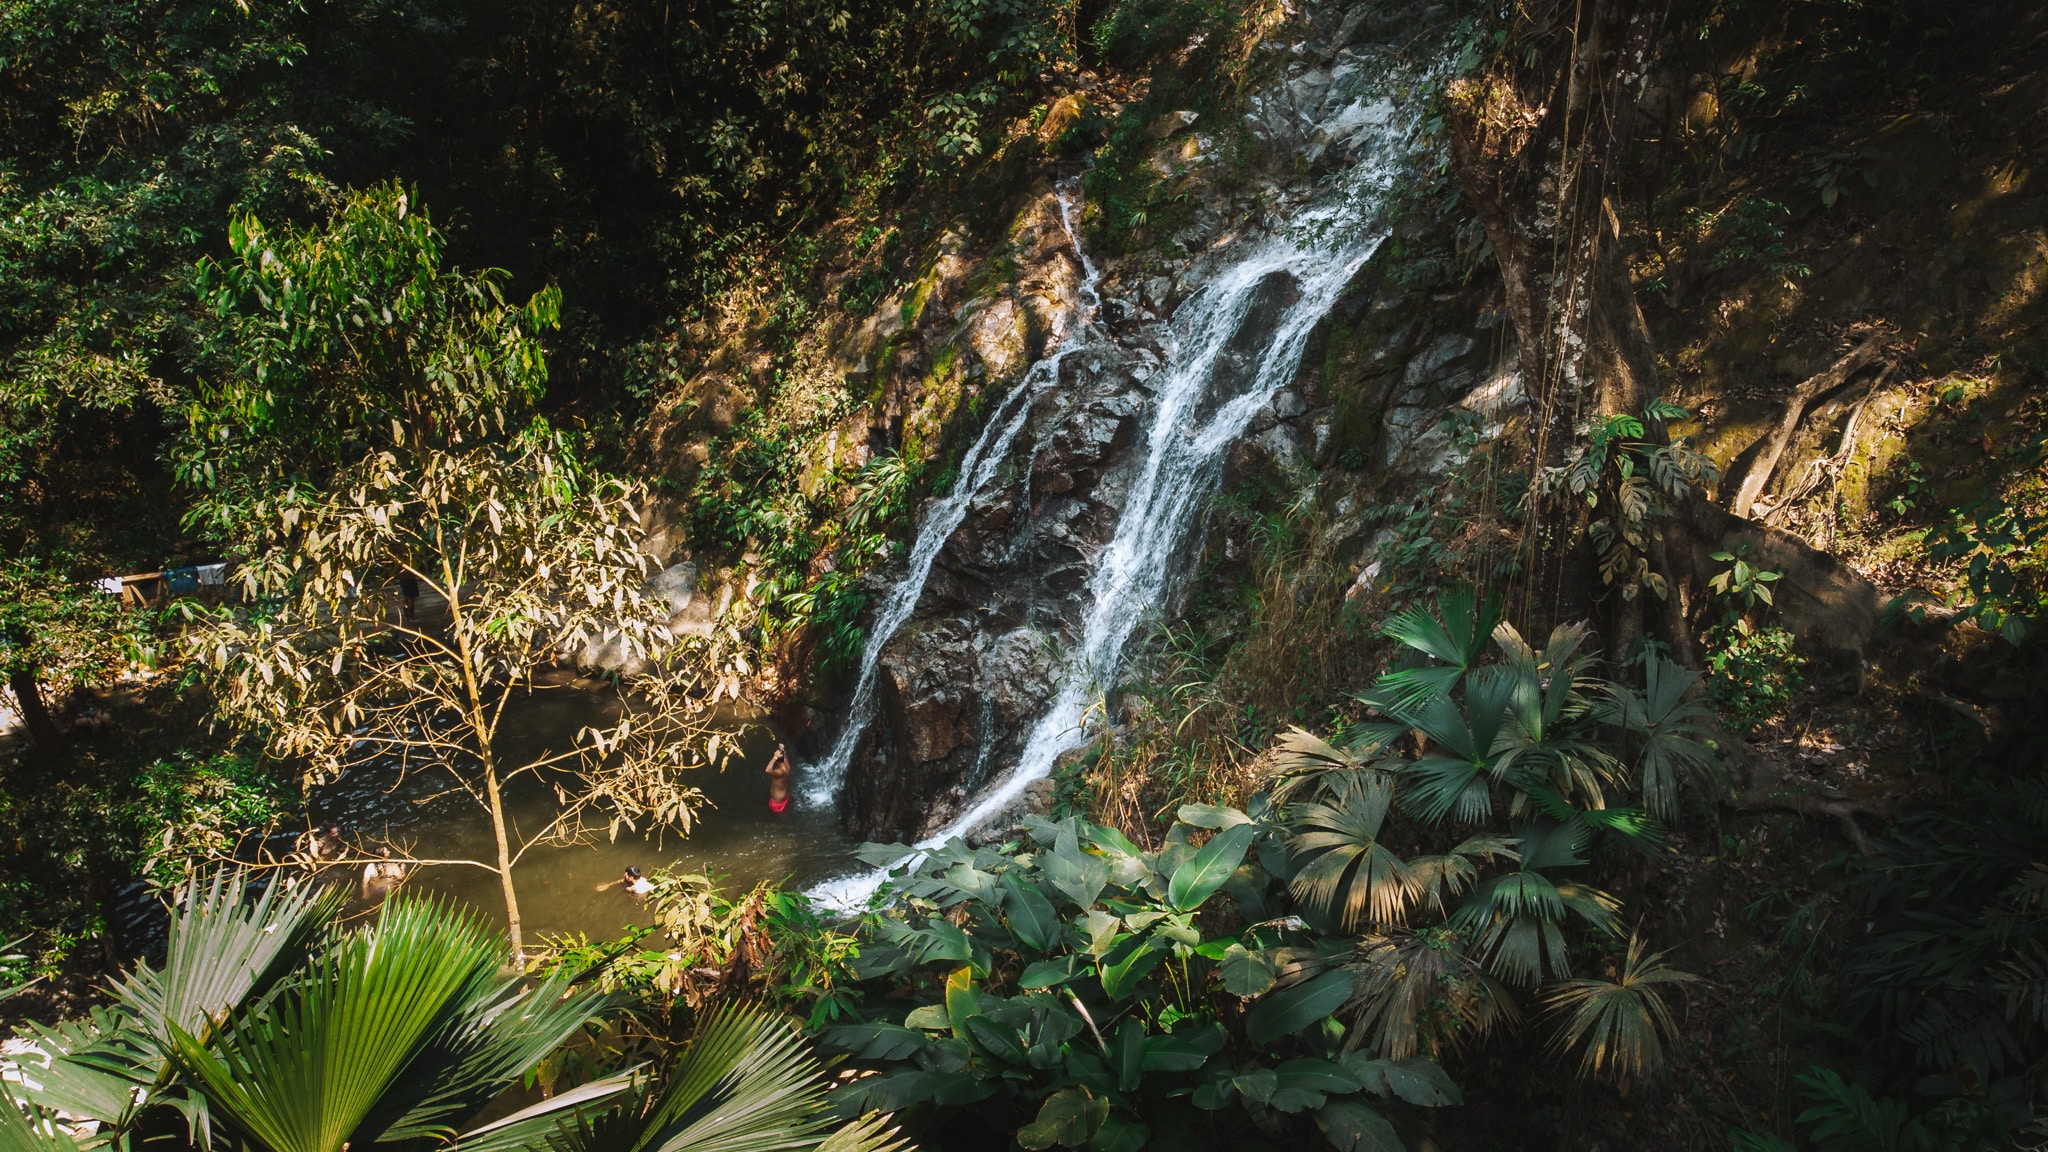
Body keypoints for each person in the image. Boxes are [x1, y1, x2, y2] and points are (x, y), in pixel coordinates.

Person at [765, 744, 793, 814]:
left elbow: (767, 770)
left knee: (781, 820)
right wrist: (782, 750)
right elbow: (785, 757)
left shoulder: (780, 772)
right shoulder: (787, 766)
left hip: (777, 802)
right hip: (784, 797)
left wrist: (774, 757)